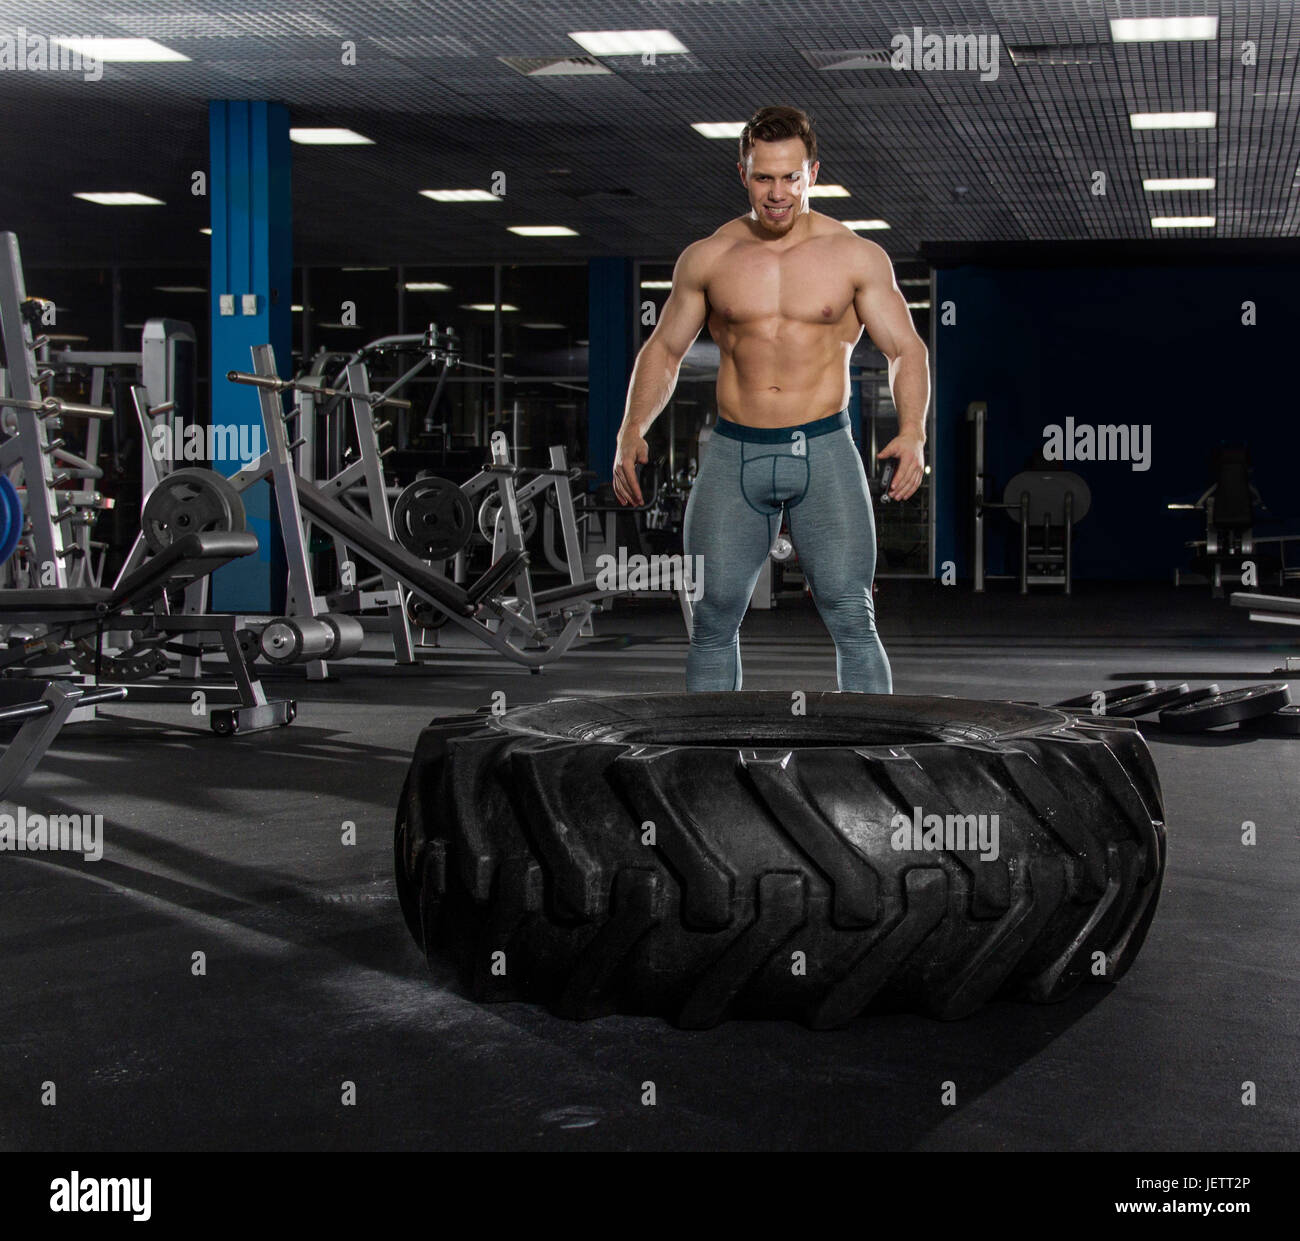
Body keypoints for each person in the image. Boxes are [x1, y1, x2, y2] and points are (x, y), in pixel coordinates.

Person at [612, 105, 930, 692]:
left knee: (852, 615)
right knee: (711, 618)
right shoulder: (708, 258)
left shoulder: (856, 256)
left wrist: (912, 430)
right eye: (764, 177)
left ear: (812, 171)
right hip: (734, 451)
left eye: (790, 177)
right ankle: (713, 768)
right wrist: (632, 428)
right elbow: (663, 351)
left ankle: (872, 767)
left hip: (825, 448)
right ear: (743, 174)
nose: (777, 193)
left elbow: (907, 350)